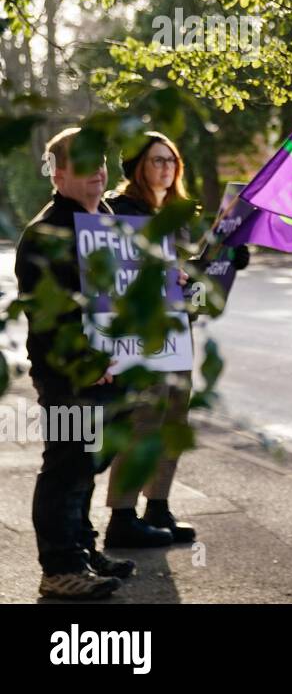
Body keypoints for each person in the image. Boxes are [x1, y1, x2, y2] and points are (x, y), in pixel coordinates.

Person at [14, 127, 135, 599]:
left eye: (101, 162)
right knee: (65, 465)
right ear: (59, 173)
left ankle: (82, 550)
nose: (99, 172)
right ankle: (59, 568)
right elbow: (48, 314)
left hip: (113, 366)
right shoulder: (47, 232)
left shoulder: (104, 216)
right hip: (68, 372)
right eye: (85, 164)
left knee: (88, 462)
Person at [102, 131, 206, 548]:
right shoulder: (120, 210)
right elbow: (111, 276)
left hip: (176, 330)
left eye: (171, 161)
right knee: (143, 420)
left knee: (174, 417)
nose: (165, 168)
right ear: (136, 168)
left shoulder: (176, 216)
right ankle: (122, 518)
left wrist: (216, 267)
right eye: (156, 161)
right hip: (138, 336)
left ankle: (157, 506)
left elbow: (190, 285)